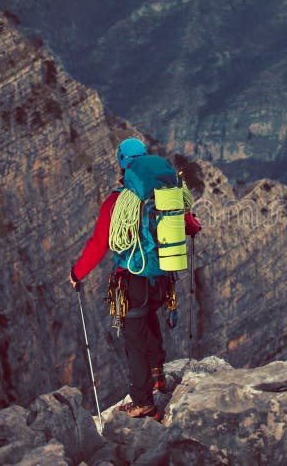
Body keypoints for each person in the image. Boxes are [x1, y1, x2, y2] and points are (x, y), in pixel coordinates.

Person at [69, 138, 200, 420]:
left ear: (122, 165)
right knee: (149, 321)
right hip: (162, 279)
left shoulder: (117, 201)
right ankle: (157, 377)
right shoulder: (167, 195)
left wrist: (76, 274)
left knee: (134, 339)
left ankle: (143, 403)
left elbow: (98, 244)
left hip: (133, 281)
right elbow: (190, 225)